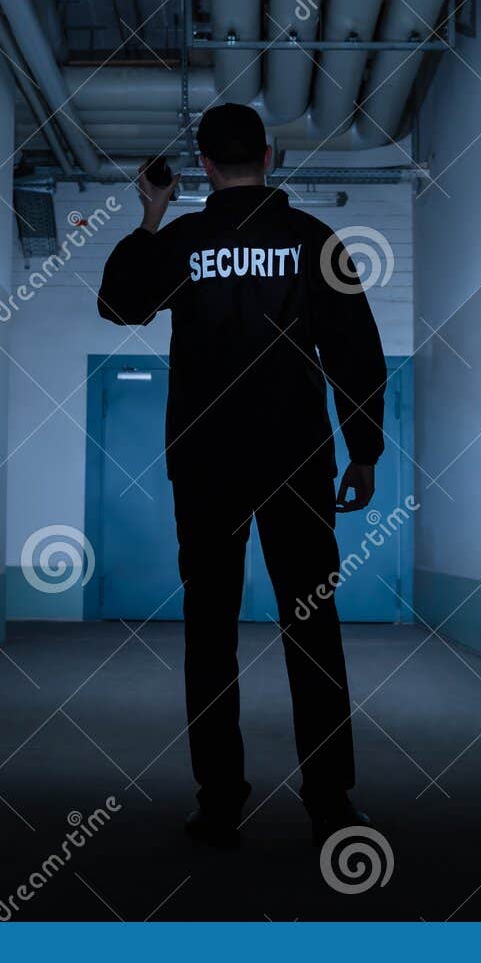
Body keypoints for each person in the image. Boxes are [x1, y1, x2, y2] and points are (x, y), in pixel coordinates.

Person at [96, 103, 388, 849]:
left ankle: (219, 802)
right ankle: (331, 802)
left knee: (209, 633)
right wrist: (364, 450)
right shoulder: (313, 240)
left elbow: (117, 304)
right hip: (296, 462)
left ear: (202, 165)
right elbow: (354, 349)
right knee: (313, 628)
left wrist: (151, 215)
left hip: (206, 466)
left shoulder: (185, 241)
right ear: (269, 157)